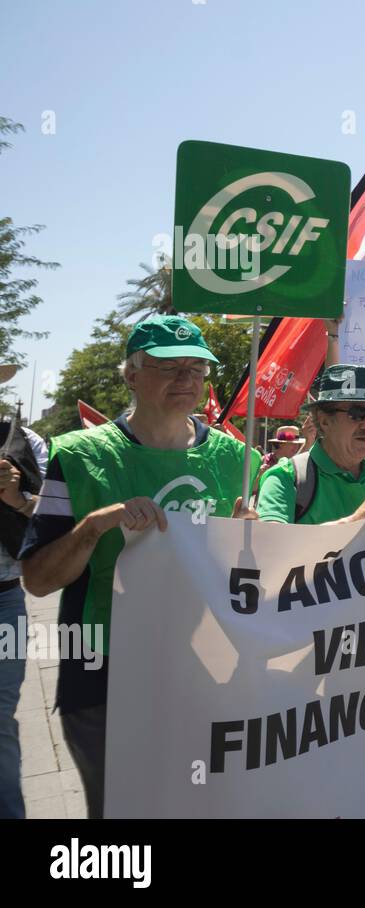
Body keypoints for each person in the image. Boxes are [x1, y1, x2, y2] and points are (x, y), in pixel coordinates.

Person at [19, 315, 254, 818]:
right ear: (131, 376)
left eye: (196, 369)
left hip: (203, 671)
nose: (186, 380)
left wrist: (251, 540)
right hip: (104, 674)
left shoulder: (236, 458)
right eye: (169, 368)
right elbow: (37, 580)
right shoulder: (78, 457)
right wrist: (94, 527)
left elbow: (248, 577)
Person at [257, 366, 365, 527]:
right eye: (357, 413)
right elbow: (272, 546)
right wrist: (352, 524)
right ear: (324, 420)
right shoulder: (285, 478)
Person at [0, 418, 46, 819]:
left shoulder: (24, 443)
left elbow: (55, 517)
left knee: (0, 716)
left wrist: (17, 497)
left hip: (6, 602)